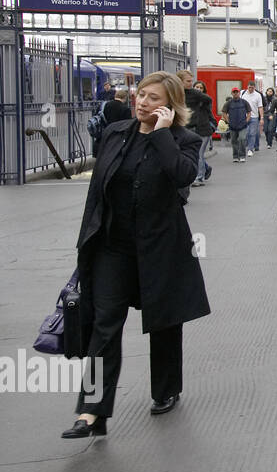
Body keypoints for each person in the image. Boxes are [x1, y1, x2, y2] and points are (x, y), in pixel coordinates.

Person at [60, 71, 211, 438]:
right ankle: (92, 411)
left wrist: (161, 134)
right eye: (141, 95)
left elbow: (181, 176)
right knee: (104, 325)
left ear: (170, 106)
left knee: (163, 322)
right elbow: (97, 192)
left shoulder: (183, 140)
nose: (142, 102)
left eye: (153, 98)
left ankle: (166, 390)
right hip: (114, 246)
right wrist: (86, 245)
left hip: (161, 247)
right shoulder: (115, 134)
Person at [178, 70, 215, 185]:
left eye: (191, 81)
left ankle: (199, 177)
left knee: (198, 154)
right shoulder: (177, 93)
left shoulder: (196, 95)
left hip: (201, 129)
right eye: (188, 81)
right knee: (192, 154)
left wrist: (199, 106)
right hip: (185, 127)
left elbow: (209, 103)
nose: (190, 83)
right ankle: (205, 169)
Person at [221, 87, 252, 162]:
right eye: (234, 92)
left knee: (242, 139)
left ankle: (242, 156)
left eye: (237, 92)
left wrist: (246, 120)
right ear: (232, 93)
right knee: (234, 141)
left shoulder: (244, 102)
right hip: (232, 126)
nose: (235, 93)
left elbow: (249, 112)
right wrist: (228, 121)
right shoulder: (228, 103)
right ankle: (235, 156)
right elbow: (224, 112)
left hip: (242, 125)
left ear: (239, 93)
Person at [240, 82, 264, 154]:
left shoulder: (257, 95)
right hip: (244, 116)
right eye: (249, 87)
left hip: (254, 117)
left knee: (252, 133)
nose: (250, 89)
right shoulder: (242, 93)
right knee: (246, 133)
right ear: (247, 87)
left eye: (252, 88)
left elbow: (260, 107)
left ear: (254, 88)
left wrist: (262, 118)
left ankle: (250, 149)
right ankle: (247, 146)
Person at [262, 85, 277, 154]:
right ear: (266, 92)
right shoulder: (264, 99)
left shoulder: (275, 99)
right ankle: (268, 139)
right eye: (268, 91)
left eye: (271, 91)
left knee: (270, 129)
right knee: (265, 129)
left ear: (273, 92)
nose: (269, 92)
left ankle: (269, 143)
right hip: (265, 114)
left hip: (272, 115)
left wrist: (274, 113)